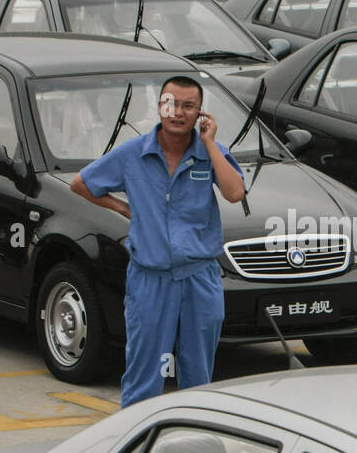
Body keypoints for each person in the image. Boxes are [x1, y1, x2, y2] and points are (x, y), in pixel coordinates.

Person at [70, 76, 245, 407]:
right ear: (159, 107)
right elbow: (82, 184)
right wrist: (124, 208)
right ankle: (134, 445)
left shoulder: (211, 154)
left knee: (198, 375)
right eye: (170, 103)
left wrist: (209, 144)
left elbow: (235, 193)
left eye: (188, 106)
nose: (177, 112)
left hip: (199, 277)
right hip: (150, 278)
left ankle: (193, 440)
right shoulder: (133, 154)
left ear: (200, 113)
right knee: (143, 372)